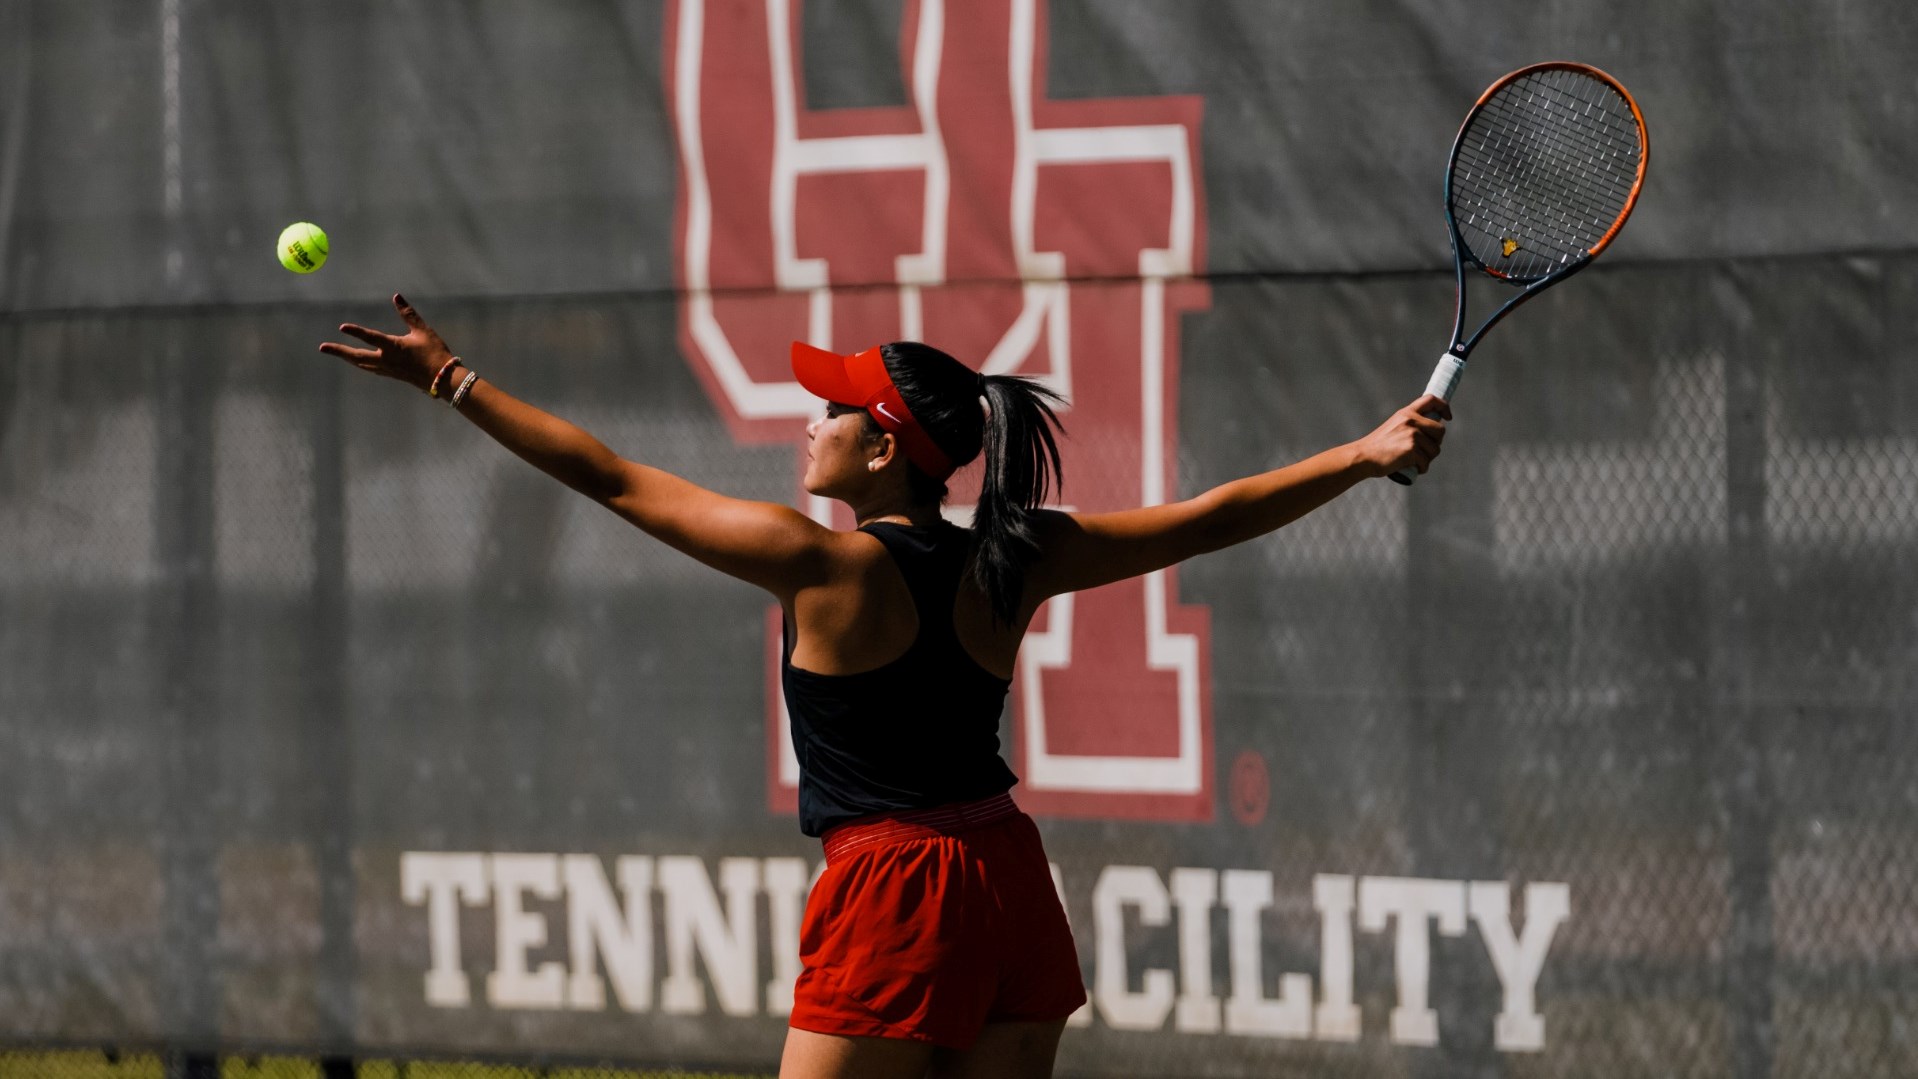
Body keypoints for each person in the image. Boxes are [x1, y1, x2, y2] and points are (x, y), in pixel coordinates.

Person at [320, 294, 1448, 1079]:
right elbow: (1207, 518)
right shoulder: (1017, 554)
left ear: (881, 450)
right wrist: (1359, 454)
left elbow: (610, 478)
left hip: (895, 889)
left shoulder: (820, 563)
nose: (810, 421)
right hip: (1008, 877)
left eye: (835, 410)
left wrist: (451, 379)